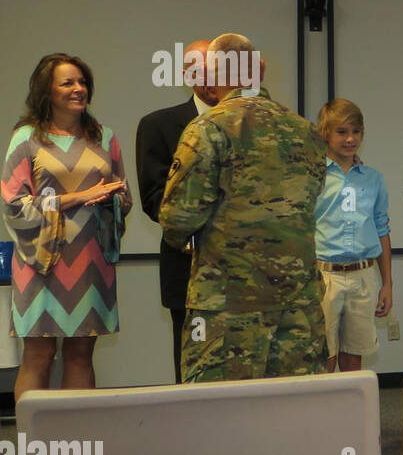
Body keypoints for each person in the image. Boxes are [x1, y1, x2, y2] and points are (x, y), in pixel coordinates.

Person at [160, 33, 326, 382]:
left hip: (227, 308)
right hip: (298, 306)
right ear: (261, 70)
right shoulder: (306, 131)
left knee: (221, 415)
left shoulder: (207, 128)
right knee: (295, 413)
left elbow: (178, 217)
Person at [2, 54, 132, 401]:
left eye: (82, 82)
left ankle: (79, 442)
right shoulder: (27, 138)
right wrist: (75, 198)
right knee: (39, 355)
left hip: (91, 262)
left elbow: (124, 198)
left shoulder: (106, 137)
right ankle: (35, 447)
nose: (79, 89)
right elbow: (14, 204)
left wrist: (110, 200)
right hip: (40, 262)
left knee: (80, 354)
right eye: (68, 83)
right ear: (47, 91)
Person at [136, 39, 219, 383]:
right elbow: (155, 198)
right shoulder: (159, 125)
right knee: (192, 368)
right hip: (190, 269)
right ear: (187, 74)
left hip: (248, 277)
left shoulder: (248, 125)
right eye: (202, 68)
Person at [315, 99, 392, 372]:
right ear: (325, 133)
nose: (350, 139)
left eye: (356, 132)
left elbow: (382, 229)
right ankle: (323, 414)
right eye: (342, 132)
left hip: (363, 275)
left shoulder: (373, 179)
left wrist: (387, 284)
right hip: (325, 276)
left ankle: (351, 413)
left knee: (355, 354)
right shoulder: (314, 177)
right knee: (324, 354)